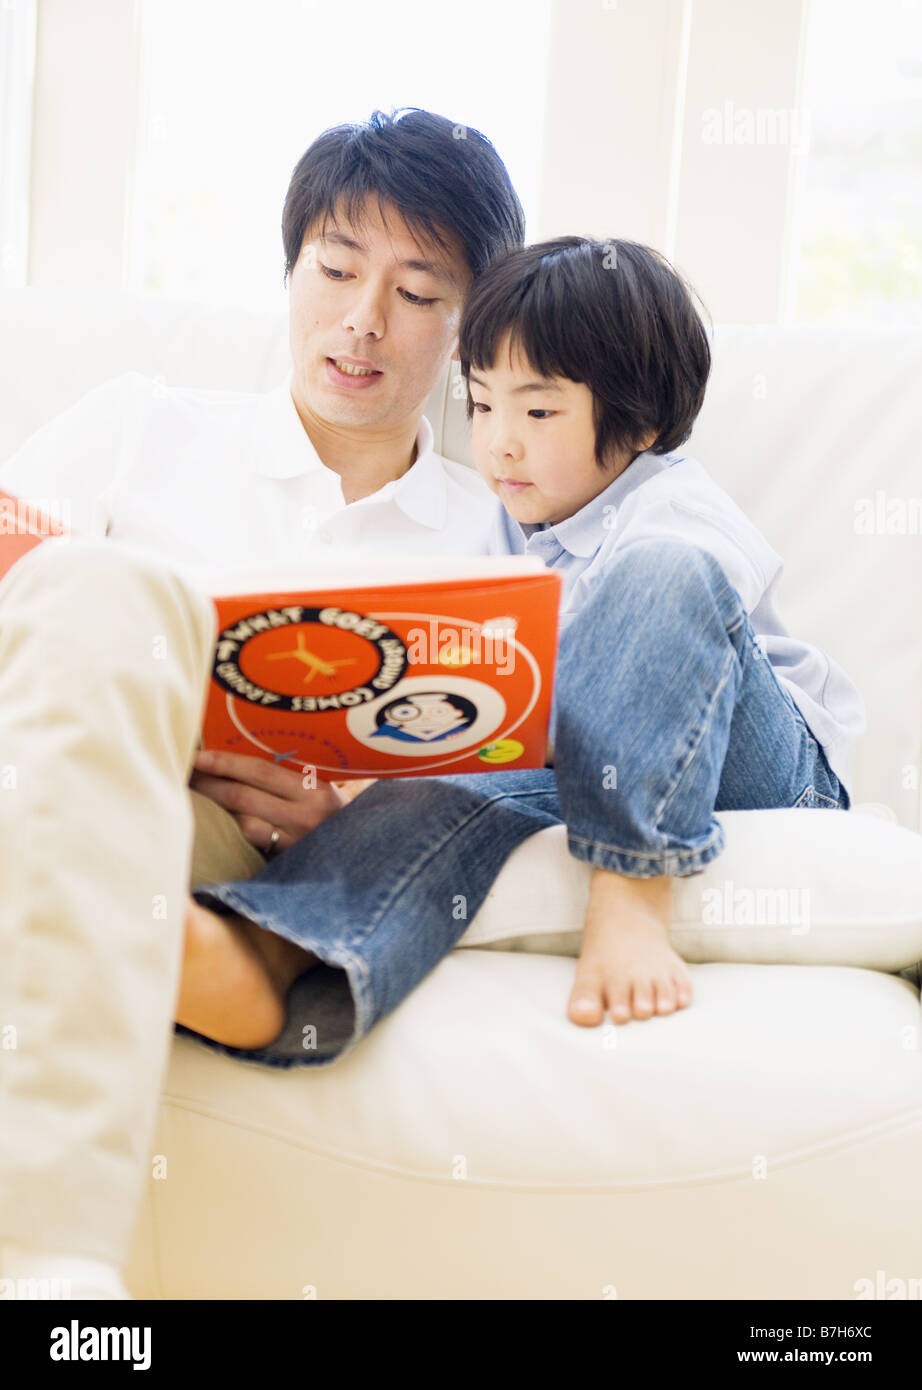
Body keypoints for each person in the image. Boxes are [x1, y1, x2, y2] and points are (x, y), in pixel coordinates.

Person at [0, 108, 524, 1298]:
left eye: (418, 290)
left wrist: (357, 803)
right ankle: (49, 1268)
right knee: (91, 585)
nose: (362, 318)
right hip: (86, 759)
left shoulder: (496, 532)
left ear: (471, 326)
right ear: (292, 271)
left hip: (295, 862)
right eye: (336, 269)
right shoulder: (143, 427)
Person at [182, 236, 865, 1065]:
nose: (500, 442)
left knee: (657, 580)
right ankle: (270, 955)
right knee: (437, 793)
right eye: (481, 405)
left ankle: (632, 890)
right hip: (577, 769)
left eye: (538, 413)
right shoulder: (505, 527)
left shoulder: (672, 507)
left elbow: (680, 631)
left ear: (641, 422)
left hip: (757, 772)